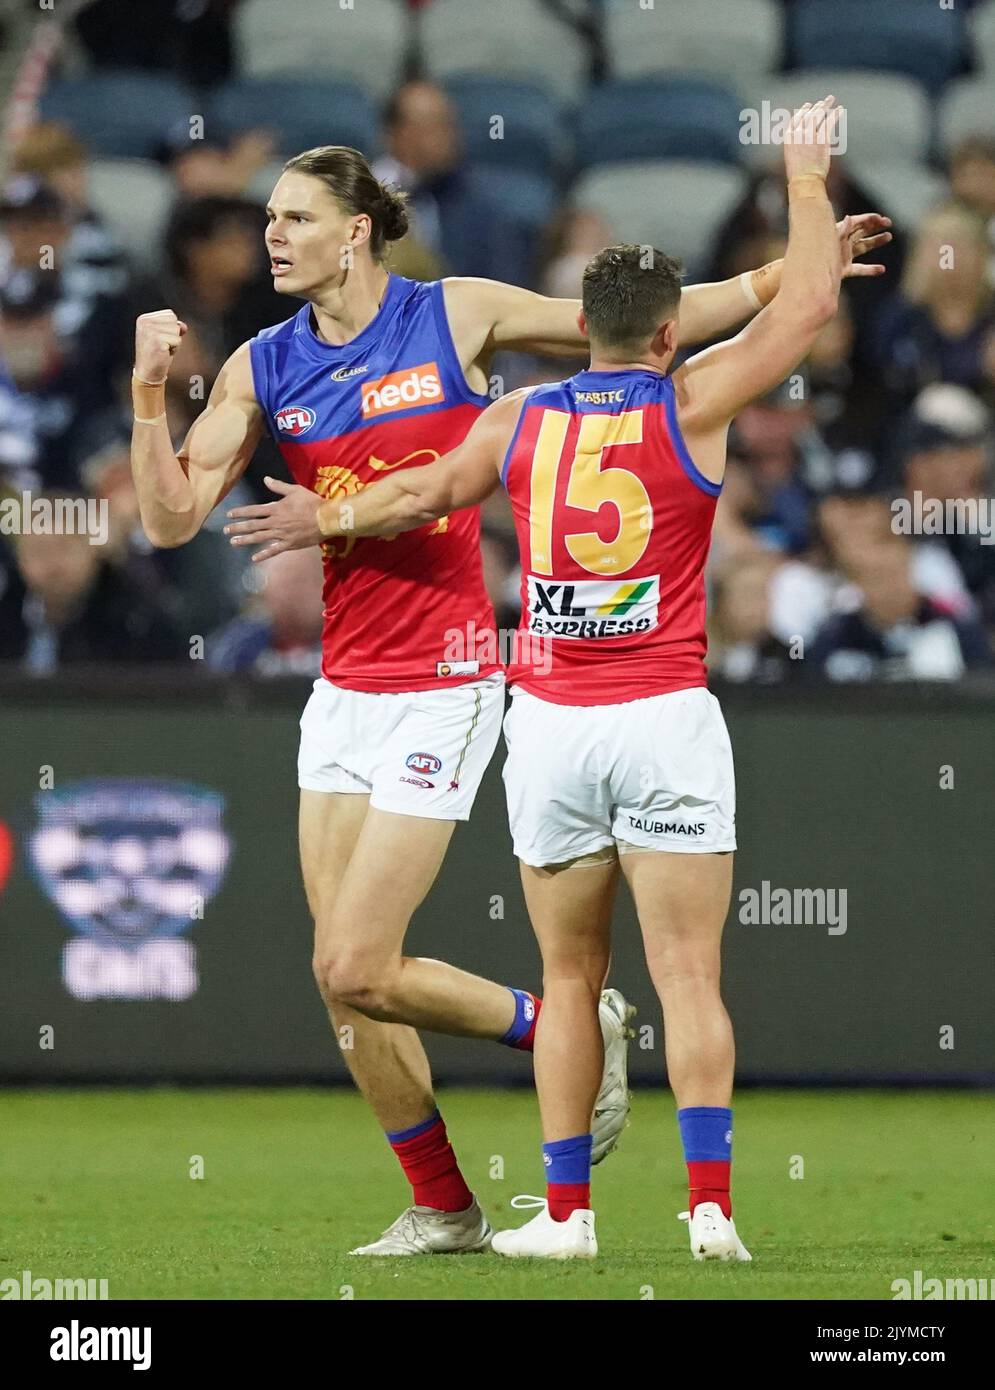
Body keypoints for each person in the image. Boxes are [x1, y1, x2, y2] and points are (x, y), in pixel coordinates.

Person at [135, 139, 888, 1255]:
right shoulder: (260, 364)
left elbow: (619, 320)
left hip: (450, 672)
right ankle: (446, 1203)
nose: (272, 237)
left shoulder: (457, 313)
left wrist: (783, 274)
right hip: (342, 683)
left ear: (354, 229)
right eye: (269, 221)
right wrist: (151, 397)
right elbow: (167, 518)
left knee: (354, 958)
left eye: (294, 218)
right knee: (345, 982)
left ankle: (556, 1026)